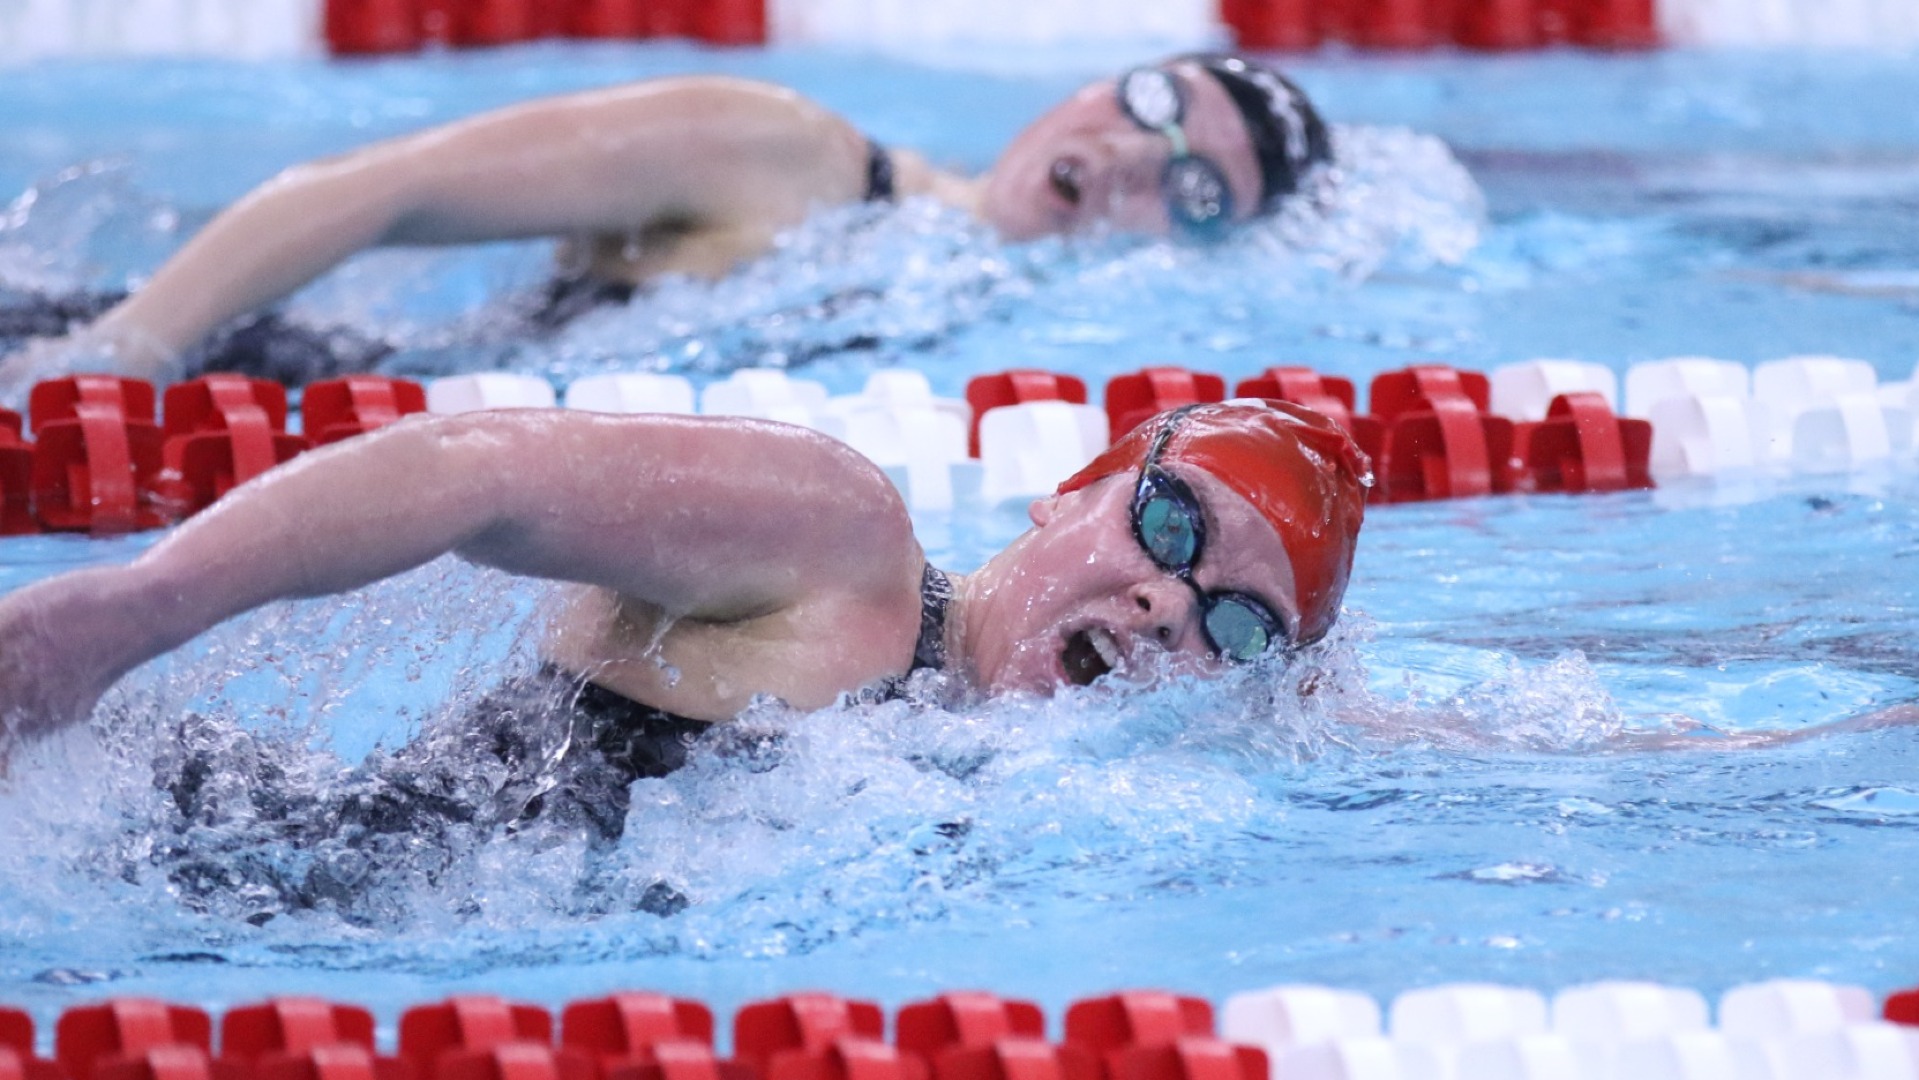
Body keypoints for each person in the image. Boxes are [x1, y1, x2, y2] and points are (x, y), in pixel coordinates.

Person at [0, 399, 1370, 844]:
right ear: (1063, 495)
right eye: (1172, 526)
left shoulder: (1044, 775)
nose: (1163, 599)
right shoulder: (839, 549)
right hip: (193, 852)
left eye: (1235, 623)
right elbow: (473, 470)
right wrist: (129, 614)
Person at [0, 54, 1331, 400]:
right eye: (1153, 106)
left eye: (1195, 193)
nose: (1127, 164)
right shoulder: (785, 151)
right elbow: (366, 189)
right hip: (246, 378)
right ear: (1098, 81)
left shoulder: (1000, 328)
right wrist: (125, 349)